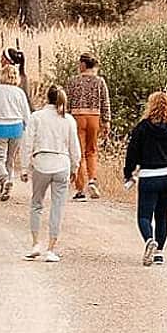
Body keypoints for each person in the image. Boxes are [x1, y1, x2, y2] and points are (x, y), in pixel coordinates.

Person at [123, 92, 167, 267]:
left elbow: (132, 153)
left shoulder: (142, 128)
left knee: (144, 216)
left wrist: (128, 173)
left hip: (148, 176)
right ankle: (159, 253)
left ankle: (149, 240)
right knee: (162, 215)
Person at [20, 85, 81, 263]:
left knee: (36, 204)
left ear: (47, 98)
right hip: (62, 163)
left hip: (41, 163)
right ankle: (51, 249)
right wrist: (75, 167)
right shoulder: (68, 119)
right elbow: (74, 146)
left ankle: (35, 243)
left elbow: (27, 143)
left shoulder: (36, 117)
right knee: (57, 207)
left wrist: (24, 167)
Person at [65, 53, 111, 201]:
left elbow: (67, 100)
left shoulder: (73, 81)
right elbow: (105, 101)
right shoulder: (100, 81)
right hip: (94, 117)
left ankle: (80, 189)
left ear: (84, 65)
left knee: (79, 153)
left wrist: (65, 118)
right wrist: (106, 120)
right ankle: (92, 179)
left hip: (77, 117)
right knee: (92, 151)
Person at [0, 65, 32, 201]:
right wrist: (28, 129)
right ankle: (6, 186)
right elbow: (26, 113)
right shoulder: (19, 92)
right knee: (10, 160)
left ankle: (4, 180)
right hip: (16, 127)